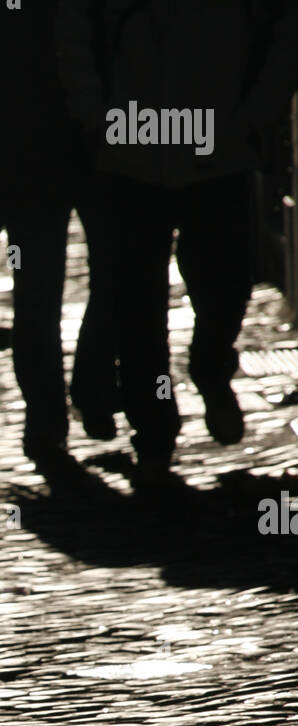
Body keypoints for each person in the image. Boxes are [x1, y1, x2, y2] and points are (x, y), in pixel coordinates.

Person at [56, 0, 298, 481]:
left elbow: (283, 28)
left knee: (226, 283)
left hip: (218, 148)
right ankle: (154, 428)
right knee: (138, 305)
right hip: (131, 155)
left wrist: (253, 114)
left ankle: (210, 367)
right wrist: (98, 117)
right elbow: (74, 34)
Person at [0, 0, 119, 466]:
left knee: (106, 279)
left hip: (93, 154)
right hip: (37, 163)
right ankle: (50, 416)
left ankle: (86, 388)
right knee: (41, 295)